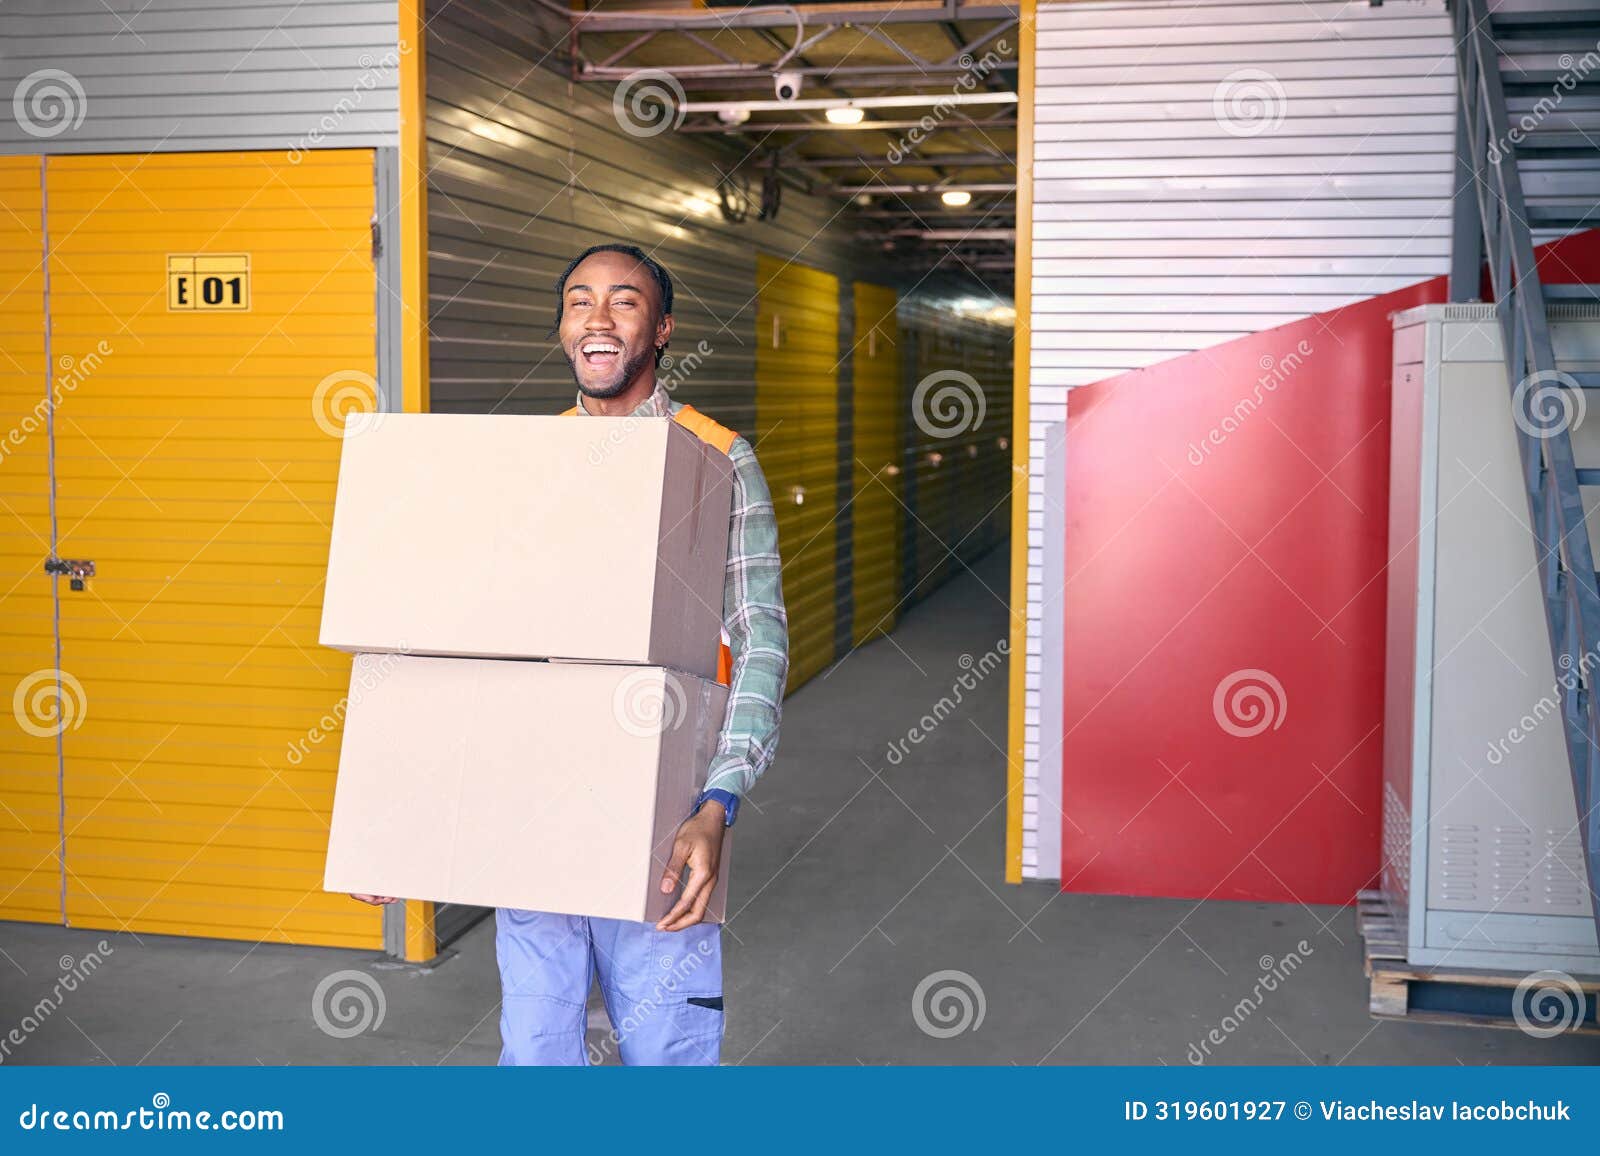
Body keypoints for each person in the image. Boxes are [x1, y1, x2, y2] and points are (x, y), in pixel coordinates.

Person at [353, 243, 788, 1066]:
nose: (597, 317)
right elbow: (465, 656)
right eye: (579, 300)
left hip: (664, 819)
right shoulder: (524, 466)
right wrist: (398, 822)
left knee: (667, 1054)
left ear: (661, 329)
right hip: (536, 809)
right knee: (539, 1054)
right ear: (562, 328)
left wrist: (717, 804)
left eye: (623, 302)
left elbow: (761, 640)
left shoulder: (715, 460)